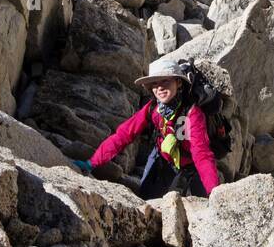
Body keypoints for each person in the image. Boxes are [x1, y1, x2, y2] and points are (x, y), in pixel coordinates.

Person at [79, 58, 221, 198]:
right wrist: (92, 162)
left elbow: (201, 154)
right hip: (163, 158)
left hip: (193, 165)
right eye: (154, 83)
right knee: (147, 199)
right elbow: (123, 135)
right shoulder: (153, 108)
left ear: (178, 82)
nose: (159, 87)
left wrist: (213, 192)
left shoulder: (192, 113)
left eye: (165, 80)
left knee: (207, 203)